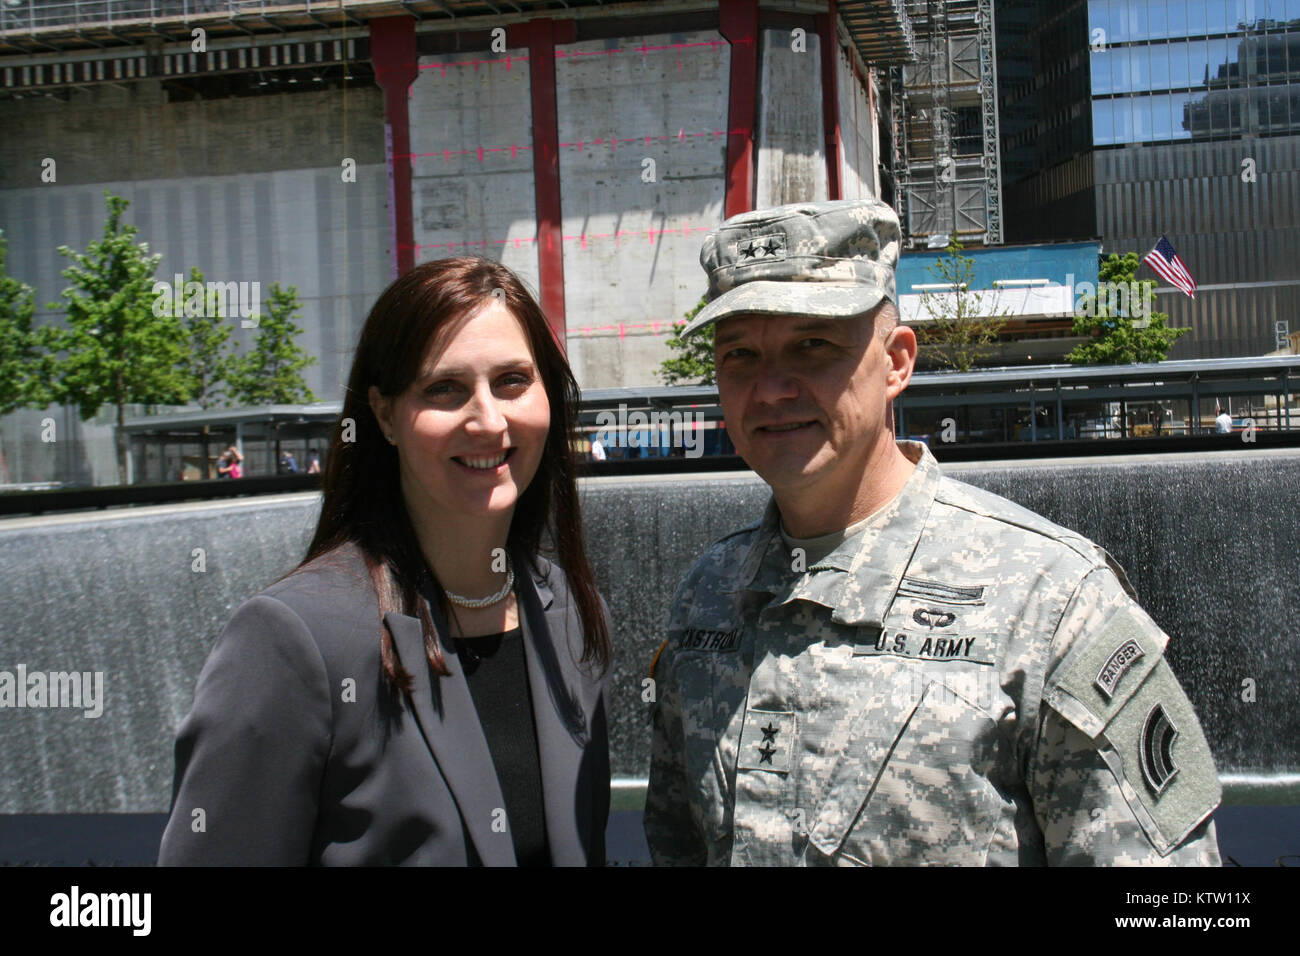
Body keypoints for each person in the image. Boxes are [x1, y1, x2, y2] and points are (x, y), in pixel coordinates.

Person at [644, 199, 1221, 866]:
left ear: (896, 362)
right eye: (739, 354)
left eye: (812, 345)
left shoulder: (1052, 599)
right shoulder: (708, 595)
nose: (770, 388)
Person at [159, 257, 613, 866]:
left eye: (511, 381)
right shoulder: (292, 641)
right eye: (444, 389)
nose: (488, 419)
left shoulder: (571, 615)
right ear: (383, 414)